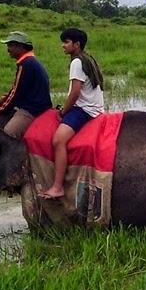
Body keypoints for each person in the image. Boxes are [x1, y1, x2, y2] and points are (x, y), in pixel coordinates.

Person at [38, 28, 106, 200]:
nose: (63, 45)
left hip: (84, 109)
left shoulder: (77, 62)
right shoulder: (88, 58)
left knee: (58, 140)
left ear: (76, 45)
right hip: (96, 107)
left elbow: (75, 92)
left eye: (66, 42)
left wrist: (63, 111)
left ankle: (57, 186)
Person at [0, 31, 52, 139]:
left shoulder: (26, 64)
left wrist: (0, 109)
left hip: (32, 109)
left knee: (8, 133)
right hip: (35, 105)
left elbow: (17, 93)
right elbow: (18, 88)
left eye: (10, 45)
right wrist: (4, 98)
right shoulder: (29, 62)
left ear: (20, 46)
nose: (8, 49)